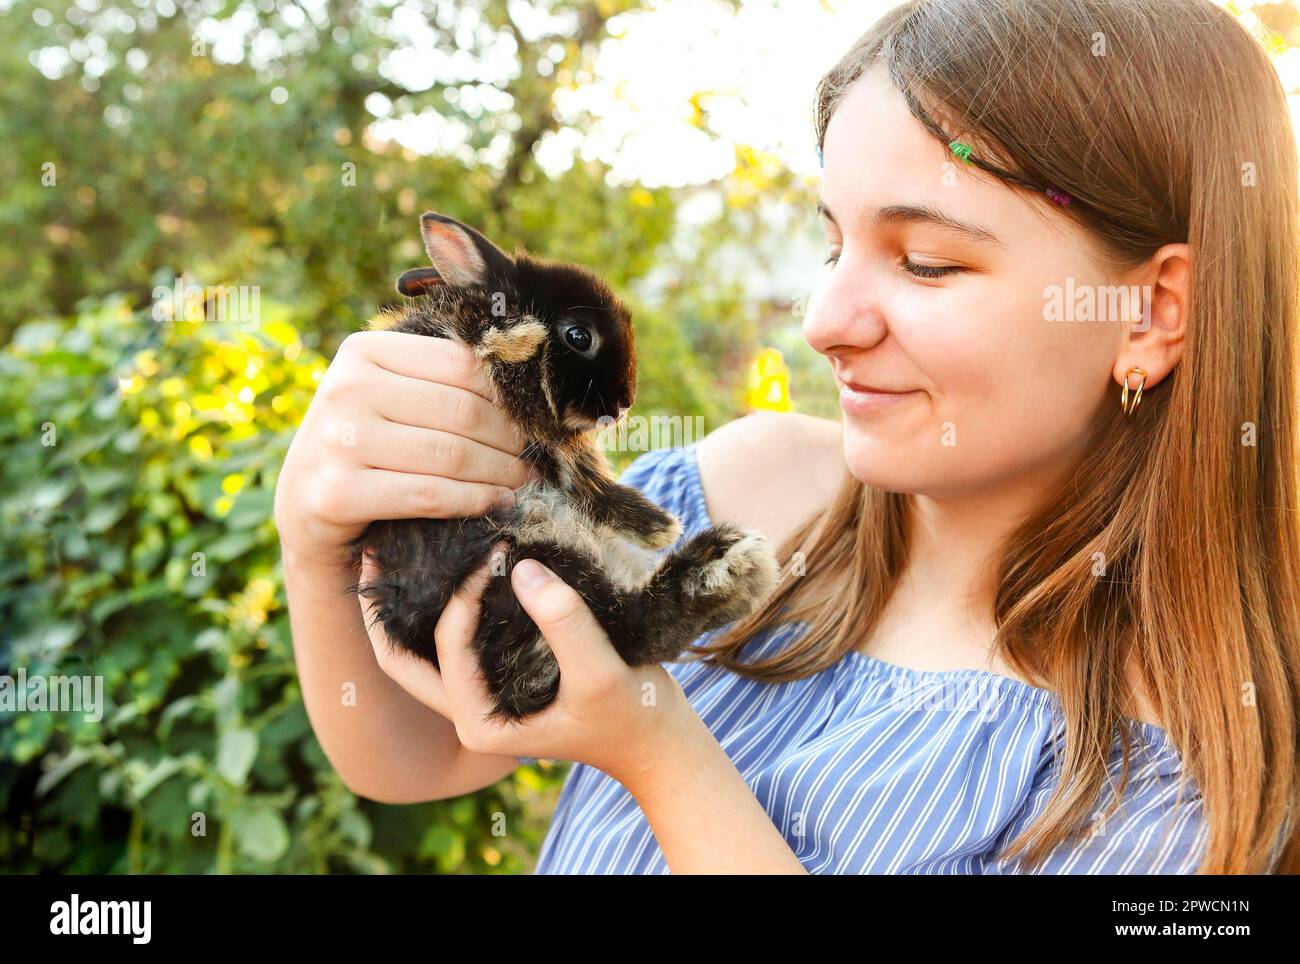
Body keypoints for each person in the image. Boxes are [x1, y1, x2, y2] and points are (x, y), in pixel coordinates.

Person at [275, 0, 1299, 873]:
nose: (822, 321)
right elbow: (428, 753)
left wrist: (658, 749)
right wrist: (316, 535)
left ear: (1154, 311)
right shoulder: (735, 492)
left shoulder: (1186, 784)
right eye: (832, 241)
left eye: (927, 263)